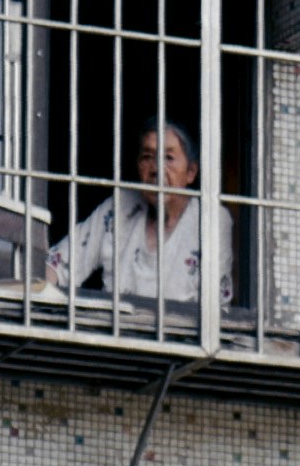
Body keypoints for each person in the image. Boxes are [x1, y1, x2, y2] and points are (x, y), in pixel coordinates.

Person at [58, 120, 213, 326]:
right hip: (115, 338)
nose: (156, 169)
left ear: (191, 172)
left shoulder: (210, 222)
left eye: (168, 157)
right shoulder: (120, 208)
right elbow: (60, 263)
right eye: (147, 157)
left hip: (182, 345)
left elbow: (219, 310)